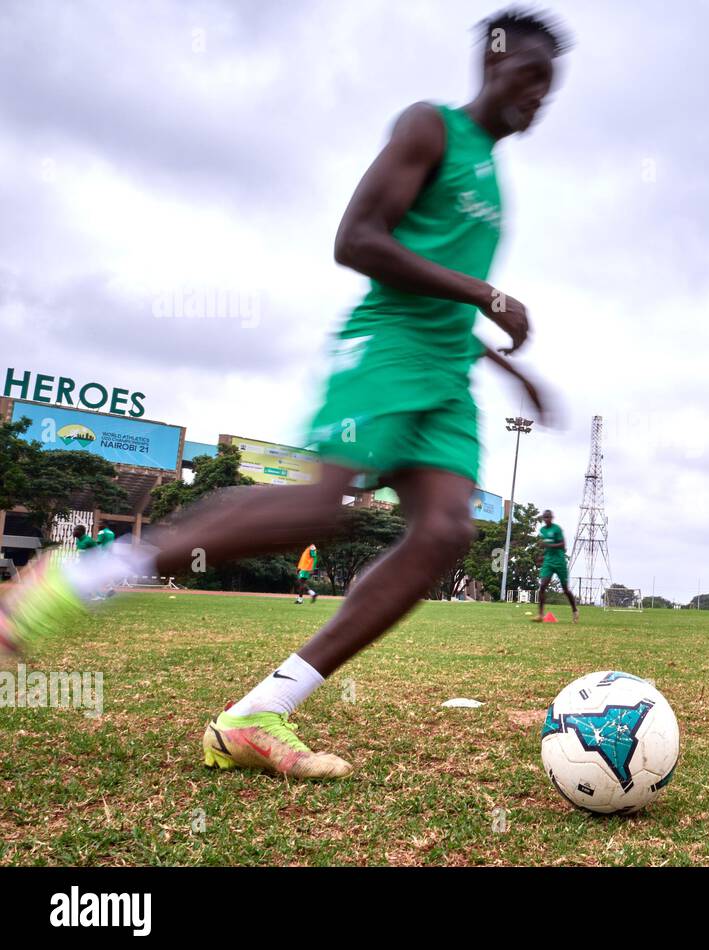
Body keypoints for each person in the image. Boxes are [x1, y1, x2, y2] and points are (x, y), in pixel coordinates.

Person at [0, 8, 570, 780]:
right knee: (319, 510)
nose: (539, 96)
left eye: (550, 86)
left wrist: (509, 365)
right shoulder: (429, 128)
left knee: (442, 533)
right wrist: (486, 292)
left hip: (446, 376)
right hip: (386, 353)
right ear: (491, 65)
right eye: (528, 76)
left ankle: (258, 712)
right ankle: (78, 577)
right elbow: (358, 239)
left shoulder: (495, 183)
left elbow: (442, 291)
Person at [535, 510, 577, 622]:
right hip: (548, 561)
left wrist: (548, 545)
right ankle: (540, 614)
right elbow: (547, 548)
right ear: (543, 519)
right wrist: (542, 557)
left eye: (548, 517)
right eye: (545, 517)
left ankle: (575, 611)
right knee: (543, 586)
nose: (546, 519)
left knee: (565, 589)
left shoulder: (557, 529)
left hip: (559, 561)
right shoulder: (542, 530)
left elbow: (563, 545)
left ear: (552, 518)